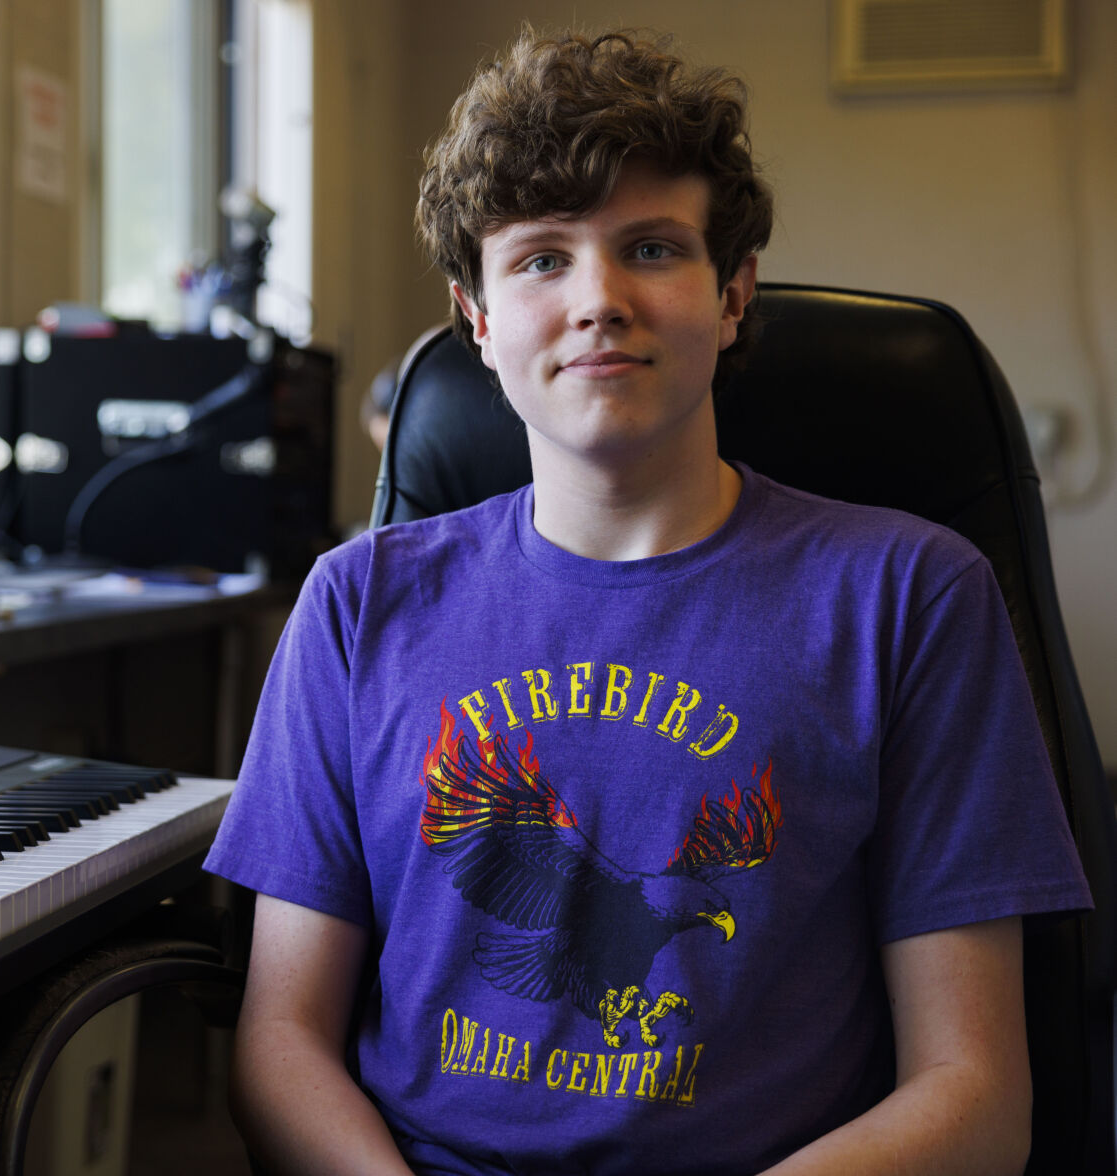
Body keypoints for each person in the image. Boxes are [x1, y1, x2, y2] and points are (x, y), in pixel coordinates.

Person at [204, 27, 1091, 1176]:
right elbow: (279, 1042)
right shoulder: (355, 605)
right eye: (537, 260)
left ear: (730, 297)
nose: (598, 300)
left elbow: (974, 1099)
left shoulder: (907, 598)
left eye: (651, 249)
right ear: (474, 318)